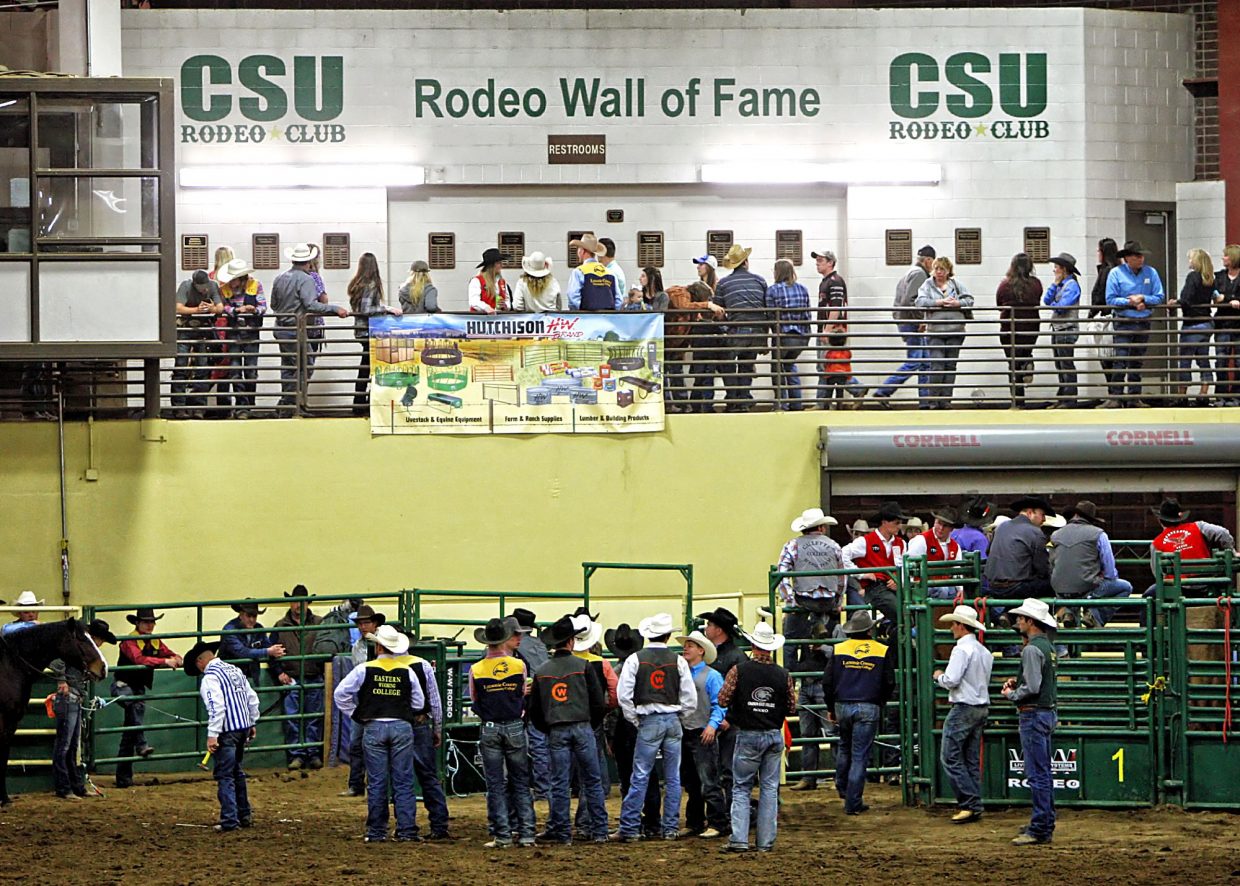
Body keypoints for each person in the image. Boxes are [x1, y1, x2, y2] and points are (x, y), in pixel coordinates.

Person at [332, 624, 426, 843]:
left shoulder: (363, 669)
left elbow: (340, 694)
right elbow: (419, 702)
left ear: (378, 647)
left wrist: (356, 714)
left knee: (376, 781)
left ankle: (376, 831)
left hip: (373, 726)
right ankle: (407, 830)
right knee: (403, 780)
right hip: (401, 726)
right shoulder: (407, 671)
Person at [612, 612, 696, 842]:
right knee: (673, 778)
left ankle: (629, 827)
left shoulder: (635, 659)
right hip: (673, 720)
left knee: (640, 775)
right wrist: (680, 715)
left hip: (648, 719)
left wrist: (635, 719)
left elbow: (624, 695)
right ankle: (670, 828)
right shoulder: (678, 661)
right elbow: (690, 697)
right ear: (668, 636)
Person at [530, 615, 609, 844]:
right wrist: (589, 724)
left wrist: (549, 728)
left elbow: (535, 709)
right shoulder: (583, 666)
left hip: (556, 729)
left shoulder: (543, 671)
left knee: (559, 782)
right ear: (571, 642)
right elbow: (598, 702)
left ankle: (563, 833)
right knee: (592, 781)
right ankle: (600, 831)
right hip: (583, 727)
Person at [718, 622, 793, 852]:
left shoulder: (739, 670)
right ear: (770, 648)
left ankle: (739, 839)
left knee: (741, 787)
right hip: (772, 734)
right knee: (770, 788)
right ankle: (765, 842)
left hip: (748, 734)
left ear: (753, 644)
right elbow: (791, 707)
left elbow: (723, 699)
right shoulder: (783, 674)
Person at [469, 618, 536, 848]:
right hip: (515, 725)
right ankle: (527, 833)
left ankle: (503, 834)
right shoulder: (518, 665)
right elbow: (522, 693)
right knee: (520, 781)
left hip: (490, 726)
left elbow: (474, 699)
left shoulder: (476, 669)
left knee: (495, 784)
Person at [822, 611, 896, 816]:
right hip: (868, 705)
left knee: (844, 747)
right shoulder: (881, 650)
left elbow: (828, 681)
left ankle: (843, 788)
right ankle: (853, 801)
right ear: (870, 630)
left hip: (842, 704)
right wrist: (879, 702)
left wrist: (830, 707)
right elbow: (889, 682)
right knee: (860, 754)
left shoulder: (839, 649)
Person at [185, 636, 261, 832]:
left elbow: (216, 707)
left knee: (225, 775)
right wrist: (252, 721)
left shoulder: (210, 678)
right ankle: (244, 814)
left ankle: (229, 819)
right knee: (237, 772)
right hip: (242, 728)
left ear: (200, 661)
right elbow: (252, 698)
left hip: (227, 732)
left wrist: (212, 734)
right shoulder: (234, 670)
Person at [1001, 598, 1060, 846]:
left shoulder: (1032, 649)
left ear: (1030, 622)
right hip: (1045, 712)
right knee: (1042, 772)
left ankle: (1040, 827)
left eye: (1021, 619)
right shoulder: (1047, 647)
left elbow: (1033, 687)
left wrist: (1012, 694)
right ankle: (1043, 822)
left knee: (1037, 773)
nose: (1017, 622)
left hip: (1033, 713)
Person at [270, 243, 349, 411]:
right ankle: (288, 403)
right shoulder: (306, 279)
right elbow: (311, 305)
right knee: (305, 365)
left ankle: (288, 404)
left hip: (281, 328)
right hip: (296, 329)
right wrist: (335, 309)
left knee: (288, 366)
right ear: (308, 261)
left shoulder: (280, 278)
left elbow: (274, 304)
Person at [932, 605, 992, 823]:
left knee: (950, 756)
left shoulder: (961, 650)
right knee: (970, 758)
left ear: (960, 625)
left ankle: (969, 803)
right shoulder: (983, 651)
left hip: (964, 706)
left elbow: (951, 680)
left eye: (953, 624)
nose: (951, 628)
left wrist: (938, 676)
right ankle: (973, 803)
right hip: (980, 706)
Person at [113, 608, 182, 788]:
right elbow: (138, 659)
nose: (150, 625)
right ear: (137, 623)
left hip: (134, 687)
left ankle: (123, 777)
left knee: (129, 731)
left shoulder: (154, 642)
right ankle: (141, 745)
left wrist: (174, 658)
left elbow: (168, 653)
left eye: (152, 622)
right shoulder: (130, 641)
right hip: (124, 685)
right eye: (146, 622)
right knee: (134, 710)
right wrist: (166, 661)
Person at [603, 623, 661, 837]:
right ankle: (654, 822)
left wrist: (609, 736)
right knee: (650, 774)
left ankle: (632, 822)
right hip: (648, 722)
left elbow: (613, 706)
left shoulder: (617, 671)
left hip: (625, 727)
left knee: (628, 777)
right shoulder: (647, 668)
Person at [50, 619, 116, 799]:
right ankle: (66, 788)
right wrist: (62, 680)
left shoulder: (82, 650)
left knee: (70, 745)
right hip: (70, 696)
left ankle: (73, 786)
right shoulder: (76, 648)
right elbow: (56, 662)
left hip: (75, 697)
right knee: (66, 745)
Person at [776, 507, 843, 672]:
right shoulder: (833, 545)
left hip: (803, 602)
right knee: (828, 641)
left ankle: (790, 676)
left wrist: (790, 599)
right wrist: (838, 600)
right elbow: (842, 577)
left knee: (791, 640)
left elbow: (781, 573)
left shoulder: (793, 545)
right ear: (821, 527)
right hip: (828, 603)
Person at [675, 629, 727, 837]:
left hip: (700, 730)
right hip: (687, 730)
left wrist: (712, 725)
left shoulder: (712, 676)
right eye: (686, 645)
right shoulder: (685, 673)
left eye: (690, 645)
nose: (686, 648)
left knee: (708, 780)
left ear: (701, 651)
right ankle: (696, 821)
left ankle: (717, 822)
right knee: (692, 781)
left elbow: (720, 704)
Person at [268, 585, 326, 771]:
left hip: (313, 675)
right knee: (293, 718)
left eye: (302, 602)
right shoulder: (280, 626)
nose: (298, 606)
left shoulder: (320, 623)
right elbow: (271, 654)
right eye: (295, 601)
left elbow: (326, 648)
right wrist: (279, 672)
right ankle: (297, 755)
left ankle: (312, 753)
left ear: (308, 603)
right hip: (291, 677)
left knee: (313, 718)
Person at [1049, 501, 1133, 629]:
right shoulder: (1098, 534)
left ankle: (1068, 613)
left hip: (1060, 588)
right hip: (1087, 586)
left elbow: (1051, 564)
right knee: (1125, 587)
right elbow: (1110, 571)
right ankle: (1094, 615)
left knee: (1073, 595)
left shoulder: (1055, 535)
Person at [696, 606, 746, 814]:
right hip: (716, 720)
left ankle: (731, 812)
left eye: (710, 625)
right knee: (722, 770)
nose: (706, 628)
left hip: (727, 723)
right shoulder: (735, 656)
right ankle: (729, 813)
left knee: (727, 770)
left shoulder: (734, 657)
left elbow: (740, 693)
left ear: (719, 630)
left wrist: (728, 717)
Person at [1104, 240, 1165, 407]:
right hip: (1124, 321)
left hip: (1142, 321)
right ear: (1127, 258)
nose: (1141, 259)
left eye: (1141, 255)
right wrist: (1130, 302)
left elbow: (1159, 296)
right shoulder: (1115, 273)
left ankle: (1133, 397)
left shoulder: (1151, 273)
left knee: (1136, 361)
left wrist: (1143, 298)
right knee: (1120, 360)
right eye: (1137, 256)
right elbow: (1110, 299)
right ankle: (1116, 396)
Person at [874, 245, 935, 405]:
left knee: (925, 363)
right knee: (915, 361)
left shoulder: (910, 272)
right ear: (928, 260)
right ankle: (884, 391)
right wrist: (921, 319)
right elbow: (910, 300)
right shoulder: (920, 274)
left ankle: (925, 403)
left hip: (905, 320)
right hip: (911, 322)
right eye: (933, 262)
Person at [713, 244, 769, 412]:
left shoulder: (723, 283)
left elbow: (718, 312)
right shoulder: (760, 280)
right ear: (746, 262)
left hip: (737, 329)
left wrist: (726, 322)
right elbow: (767, 306)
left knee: (726, 361)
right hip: (758, 331)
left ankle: (732, 399)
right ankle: (744, 400)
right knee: (746, 364)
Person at [915, 257, 973, 409]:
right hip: (935, 332)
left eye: (943, 269)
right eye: (937, 269)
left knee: (950, 366)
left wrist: (957, 303)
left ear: (948, 271)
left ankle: (946, 401)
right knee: (937, 366)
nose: (939, 272)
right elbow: (920, 302)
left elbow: (970, 300)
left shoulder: (956, 284)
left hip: (955, 331)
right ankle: (933, 401)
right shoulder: (927, 285)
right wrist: (938, 303)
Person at [348, 252, 403, 414]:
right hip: (369, 330)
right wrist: (386, 308)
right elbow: (366, 309)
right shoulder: (371, 284)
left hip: (360, 330)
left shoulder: (356, 284)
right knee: (368, 367)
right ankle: (362, 403)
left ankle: (359, 401)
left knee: (365, 367)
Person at [841, 500, 909, 629]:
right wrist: (862, 574)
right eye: (897, 523)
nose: (899, 526)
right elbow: (842, 555)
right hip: (875, 587)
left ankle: (888, 635)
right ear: (884, 522)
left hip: (894, 588)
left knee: (907, 615)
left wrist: (899, 581)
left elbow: (903, 567)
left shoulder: (901, 543)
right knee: (903, 616)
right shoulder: (865, 541)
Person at [340, 604, 385, 797]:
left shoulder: (381, 645)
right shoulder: (357, 646)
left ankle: (372, 785)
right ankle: (356, 784)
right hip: (365, 698)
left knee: (371, 744)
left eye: (366, 623)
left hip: (379, 699)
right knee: (356, 743)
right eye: (360, 623)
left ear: (374, 624)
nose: (363, 627)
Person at [1147, 498, 1236, 595]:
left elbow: (1157, 573)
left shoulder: (1156, 543)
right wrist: (1232, 552)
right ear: (1180, 518)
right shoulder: (1199, 527)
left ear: (1160, 520)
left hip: (1178, 589)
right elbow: (1223, 533)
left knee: (1148, 595)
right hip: (1206, 585)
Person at [215, 258, 267, 418]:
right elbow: (223, 307)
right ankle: (241, 407)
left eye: (234, 279)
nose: (231, 283)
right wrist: (238, 310)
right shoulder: (224, 289)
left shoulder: (255, 285)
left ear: (242, 278)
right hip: (234, 332)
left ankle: (248, 406)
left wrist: (254, 310)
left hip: (251, 331)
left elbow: (263, 306)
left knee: (250, 371)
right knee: (236, 371)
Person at [985, 496, 1055, 611]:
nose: (1044, 520)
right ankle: (1056, 616)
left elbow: (988, 552)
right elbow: (1042, 568)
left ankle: (1008, 614)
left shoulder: (1001, 527)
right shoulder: (1035, 532)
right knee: (1052, 584)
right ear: (1030, 513)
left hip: (993, 586)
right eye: (1042, 515)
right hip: (1016, 587)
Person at [511, 608, 551, 800]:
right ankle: (543, 788)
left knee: (516, 742)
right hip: (541, 693)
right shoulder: (540, 644)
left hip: (520, 694)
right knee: (539, 743)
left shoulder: (513, 645)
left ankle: (519, 787)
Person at [172, 270, 223, 415]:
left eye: (205, 286)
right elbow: (177, 307)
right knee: (181, 366)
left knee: (203, 367)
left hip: (203, 330)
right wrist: (197, 310)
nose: (204, 289)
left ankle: (199, 407)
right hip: (185, 328)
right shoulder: (185, 287)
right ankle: (179, 408)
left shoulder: (213, 286)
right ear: (195, 285)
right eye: (201, 287)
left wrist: (211, 308)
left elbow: (220, 307)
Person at [788, 622, 831, 793]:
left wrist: (823, 648)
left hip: (819, 684)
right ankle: (808, 777)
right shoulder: (805, 627)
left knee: (830, 732)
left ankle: (829, 777)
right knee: (808, 734)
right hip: (809, 684)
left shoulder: (833, 624)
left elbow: (837, 652)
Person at [996, 253, 1043, 406]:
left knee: (1012, 363)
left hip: (1010, 328)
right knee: (1024, 352)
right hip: (1030, 327)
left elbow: (999, 304)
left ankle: (1018, 400)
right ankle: (1027, 361)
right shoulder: (1036, 284)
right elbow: (1038, 298)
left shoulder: (1005, 284)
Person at [764, 258, 811, 410]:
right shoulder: (803, 289)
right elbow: (807, 315)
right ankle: (797, 404)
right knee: (790, 366)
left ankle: (781, 404)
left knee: (777, 370)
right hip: (801, 337)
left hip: (783, 336)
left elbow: (771, 316)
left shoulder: (773, 290)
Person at [1172, 248, 1216, 405]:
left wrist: (1175, 302)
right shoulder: (1210, 279)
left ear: (1196, 261)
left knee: (1185, 360)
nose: (1189, 262)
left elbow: (1186, 298)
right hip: (1206, 323)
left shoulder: (1192, 277)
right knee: (1203, 359)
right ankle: (1204, 392)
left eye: (1190, 259)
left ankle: (1182, 395)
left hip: (1192, 323)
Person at [1042, 253, 1082, 407]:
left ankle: (1069, 399)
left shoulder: (1071, 285)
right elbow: (1047, 300)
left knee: (1066, 364)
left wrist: (1054, 305)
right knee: (1060, 365)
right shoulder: (1061, 284)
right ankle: (1063, 398)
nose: (1054, 271)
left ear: (1063, 269)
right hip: (1059, 328)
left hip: (1066, 328)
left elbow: (1061, 307)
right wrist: (1054, 284)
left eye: (1056, 268)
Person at [219, 600, 286, 683]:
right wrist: (268, 651)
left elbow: (269, 649)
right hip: (230, 677)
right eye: (249, 616)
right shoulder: (229, 630)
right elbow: (241, 652)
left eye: (254, 616)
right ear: (241, 614)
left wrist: (279, 672)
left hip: (249, 676)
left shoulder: (258, 629)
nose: (252, 620)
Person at [906, 507, 964, 599]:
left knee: (956, 592)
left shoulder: (955, 546)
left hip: (945, 585)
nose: (941, 528)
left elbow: (957, 570)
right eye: (939, 523)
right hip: (923, 585)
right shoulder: (921, 540)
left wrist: (960, 589)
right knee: (942, 590)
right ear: (934, 522)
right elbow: (908, 565)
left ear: (951, 529)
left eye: (945, 526)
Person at [1089, 237, 1122, 395]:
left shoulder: (1106, 271)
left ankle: (1114, 394)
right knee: (1113, 359)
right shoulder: (1118, 269)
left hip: (1107, 318)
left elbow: (1100, 295)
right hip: (1114, 318)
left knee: (1107, 359)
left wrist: (1091, 314)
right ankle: (1115, 394)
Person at [1214, 244, 1240, 406]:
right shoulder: (1218, 277)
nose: (1223, 258)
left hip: (1238, 325)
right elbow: (1215, 295)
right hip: (1222, 323)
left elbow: (1221, 297)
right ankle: (1221, 395)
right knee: (1220, 360)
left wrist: (1226, 298)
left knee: (1239, 362)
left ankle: (1237, 396)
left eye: (1226, 256)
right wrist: (1232, 299)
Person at [566, 234, 621, 311]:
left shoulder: (579, 272)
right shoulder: (610, 272)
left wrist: (582, 312)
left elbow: (572, 297)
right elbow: (618, 300)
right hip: (607, 319)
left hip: (586, 319)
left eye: (578, 249)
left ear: (582, 251)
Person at [469, 247, 512, 314]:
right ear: (491, 266)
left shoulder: (502, 282)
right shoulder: (476, 281)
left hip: (498, 320)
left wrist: (505, 306)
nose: (501, 265)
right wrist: (486, 308)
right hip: (481, 320)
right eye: (498, 263)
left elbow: (507, 300)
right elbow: (474, 301)